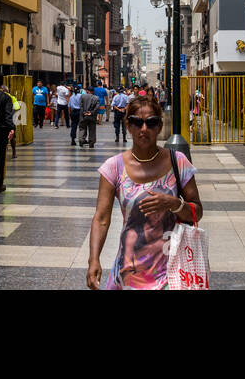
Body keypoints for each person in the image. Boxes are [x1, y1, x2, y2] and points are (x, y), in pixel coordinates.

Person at [87, 94, 202, 289]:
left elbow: (197, 211)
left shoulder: (178, 161)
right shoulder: (113, 167)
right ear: (127, 125)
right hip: (128, 273)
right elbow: (101, 218)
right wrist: (94, 259)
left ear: (159, 126)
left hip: (171, 272)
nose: (143, 129)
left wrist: (174, 204)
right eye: (136, 122)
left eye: (151, 122)